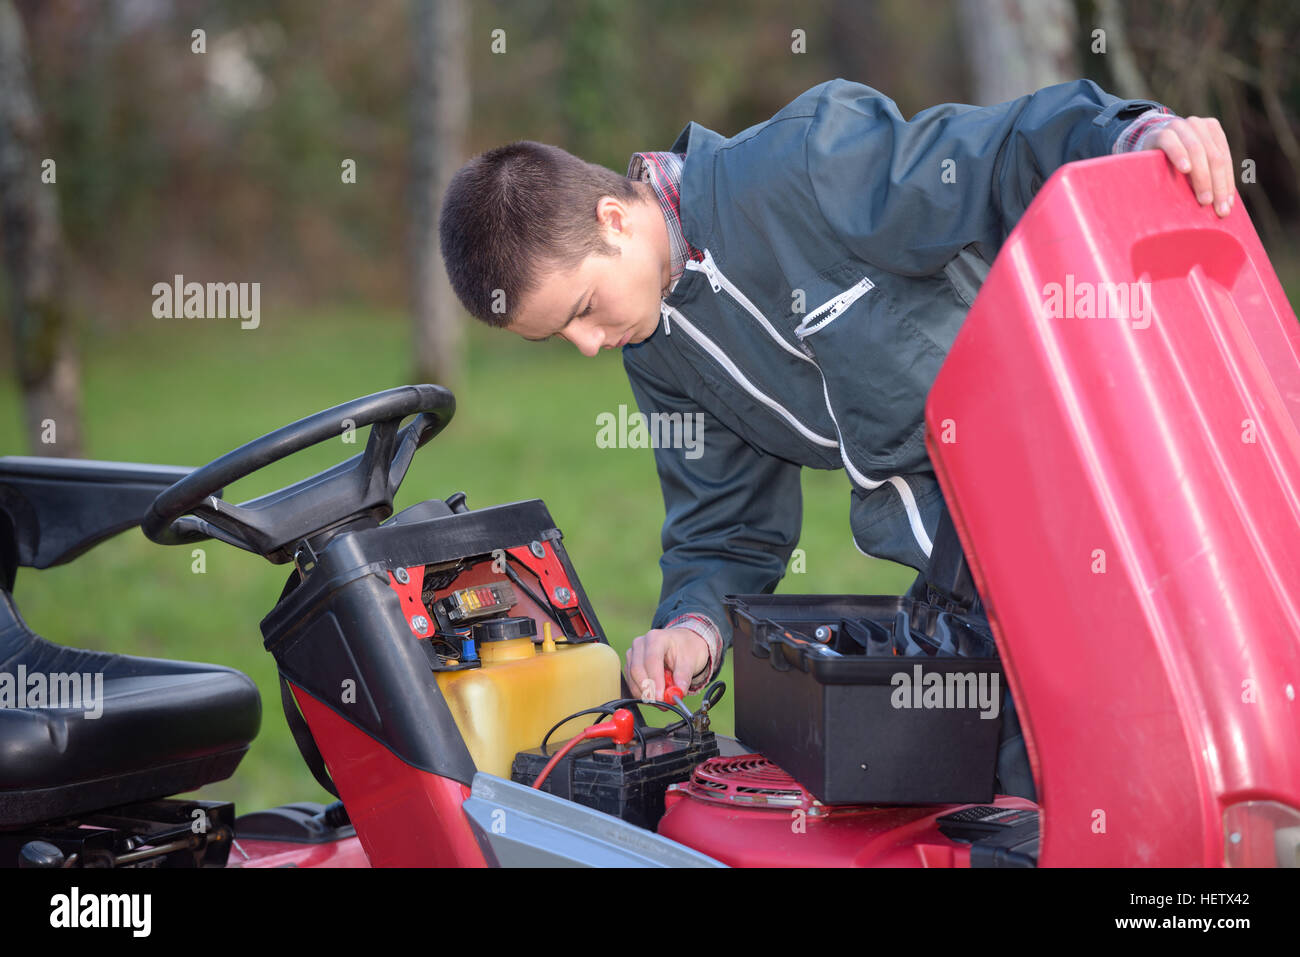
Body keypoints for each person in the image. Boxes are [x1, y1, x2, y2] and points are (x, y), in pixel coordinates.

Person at [437, 78, 1235, 795]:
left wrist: (1133, 134)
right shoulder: (655, 347)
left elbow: (994, 154)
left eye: (581, 309)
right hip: (958, 580)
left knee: (1145, 779)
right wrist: (694, 625)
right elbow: (725, 526)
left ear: (613, 218)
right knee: (973, 806)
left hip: (1088, 494)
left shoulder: (806, 162)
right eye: (560, 337)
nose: (588, 345)